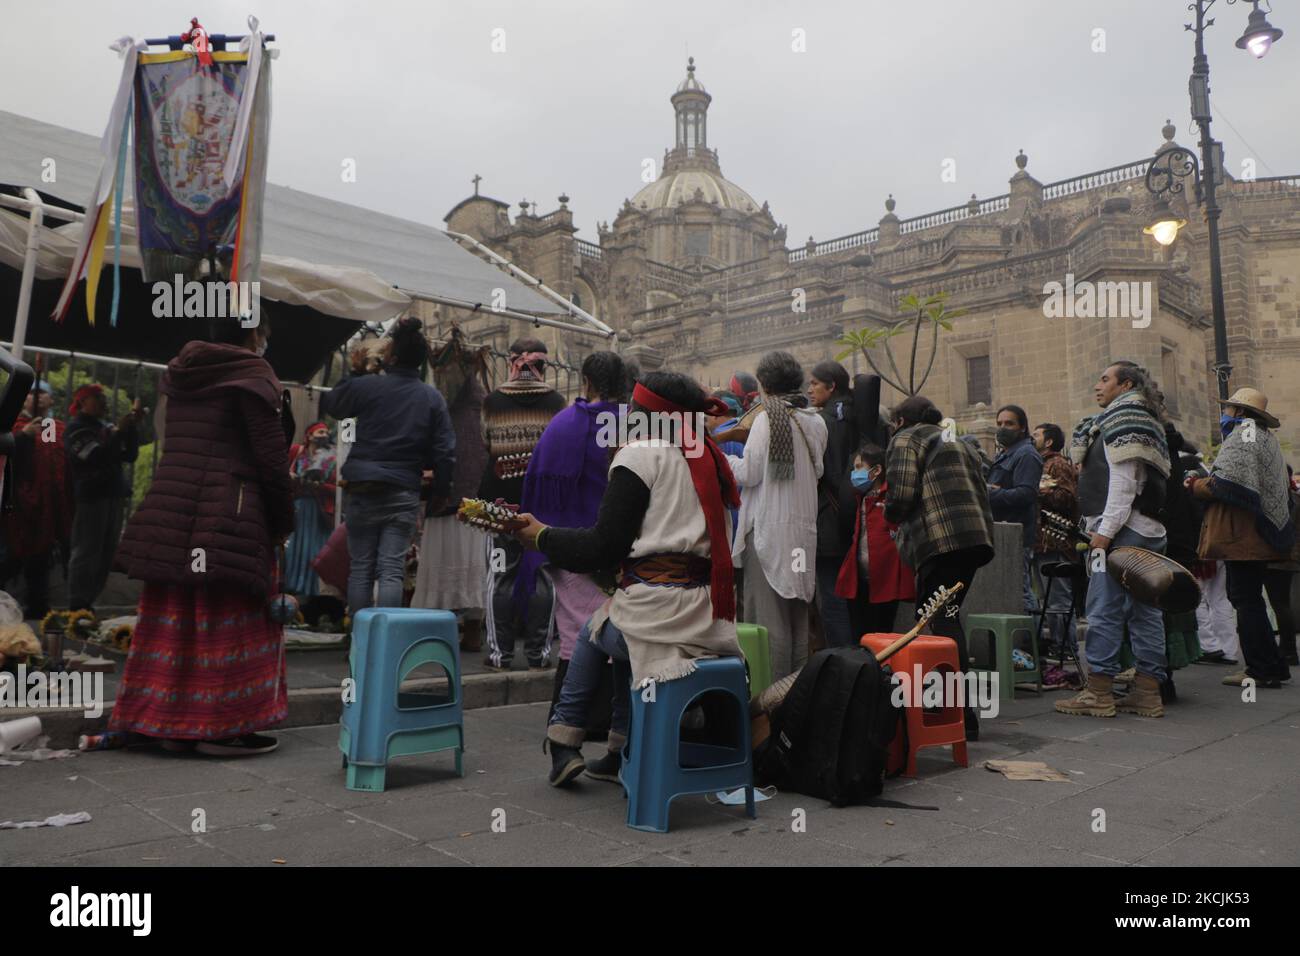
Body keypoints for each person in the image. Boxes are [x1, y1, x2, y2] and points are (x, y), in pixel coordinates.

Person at [511, 372, 743, 786]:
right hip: (709, 615)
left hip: (664, 613)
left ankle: (563, 739)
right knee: (619, 620)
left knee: (592, 632)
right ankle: (621, 749)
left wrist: (542, 536)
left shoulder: (641, 454)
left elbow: (605, 545)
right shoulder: (709, 455)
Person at [112, 313, 293, 755]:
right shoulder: (252, 376)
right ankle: (221, 726)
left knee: (171, 618)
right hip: (229, 511)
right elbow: (270, 460)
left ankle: (161, 721)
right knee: (229, 620)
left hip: (173, 507)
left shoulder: (183, 373)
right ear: (254, 334)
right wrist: (283, 521)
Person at [513, 352, 627, 716]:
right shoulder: (641, 424)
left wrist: (542, 538)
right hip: (626, 546)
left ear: (587, 382)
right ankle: (616, 719)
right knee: (619, 628)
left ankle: (571, 720)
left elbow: (536, 484)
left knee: (575, 629)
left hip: (570, 542)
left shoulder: (564, 424)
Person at [1056, 361, 1171, 718]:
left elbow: (1124, 484)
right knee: (1145, 612)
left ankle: (1099, 693)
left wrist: (1103, 536)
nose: (1097, 384)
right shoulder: (1146, 418)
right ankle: (1147, 693)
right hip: (1148, 529)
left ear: (1126, 384)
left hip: (1123, 531)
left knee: (1103, 609)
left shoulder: (1121, 419)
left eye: (1105, 378)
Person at [320, 317, 456, 615]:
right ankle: (386, 641)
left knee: (361, 568)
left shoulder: (368, 386)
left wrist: (355, 372)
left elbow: (332, 406)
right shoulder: (431, 397)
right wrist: (439, 494)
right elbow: (445, 451)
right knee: (391, 568)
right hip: (403, 489)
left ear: (391, 357)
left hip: (363, 486)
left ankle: (360, 641)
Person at [884, 395, 993, 739]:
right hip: (974, 538)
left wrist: (889, 517)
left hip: (941, 539)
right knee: (947, 614)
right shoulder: (956, 440)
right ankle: (960, 708)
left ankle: (959, 711)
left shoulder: (905, 438)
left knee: (939, 618)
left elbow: (900, 494)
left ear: (900, 421)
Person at [725, 351, 828, 681]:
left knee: (769, 625)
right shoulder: (816, 421)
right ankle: (796, 697)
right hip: (802, 534)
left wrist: (719, 459)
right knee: (798, 620)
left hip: (769, 531)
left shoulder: (767, 420)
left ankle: (771, 703)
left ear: (764, 385)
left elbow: (750, 473)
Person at [1187, 387, 1295, 688]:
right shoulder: (1264, 437)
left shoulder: (1245, 434)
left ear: (1241, 412)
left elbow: (1227, 483)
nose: (1227, 413)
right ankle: (1273, 666)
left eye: (1231, 408)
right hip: (1255, 532)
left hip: (1244, 533)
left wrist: (1195, 485)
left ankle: (1259, 669)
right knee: (1250, 599)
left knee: (1245, 600)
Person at [479, 338, 567, 670]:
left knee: (500, 575)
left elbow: (486, 443)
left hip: (500, 504)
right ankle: (539, 655)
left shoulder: (492, 402)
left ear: (512, 362)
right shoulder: (557, 402)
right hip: (542, 505)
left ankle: (500, 654)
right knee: (543, 576)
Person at [413, 329, 490, 651]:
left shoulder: (442, 398)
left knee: (458, 555)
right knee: (468, 556)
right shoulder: (453, 397)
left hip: (458, 486)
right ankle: (467, 626)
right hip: (459, 485)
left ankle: (459, 627)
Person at [64, 383, 142, 614]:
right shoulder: (75, 430)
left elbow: (129, 454)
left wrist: (132, 429)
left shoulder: (105, 428)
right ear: (82, 403)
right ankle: (77, 604)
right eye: (97, 398)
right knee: (87, 550)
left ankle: (88, 602)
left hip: (113, 494)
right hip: (92, 496)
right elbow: (97, 455)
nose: (104, 402)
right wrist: (119, 431)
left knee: (107, 552)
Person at [2, 382, 74, 619]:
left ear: (51, 400)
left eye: (42, 393)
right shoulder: (12, 424)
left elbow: (54, 458)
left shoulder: (52, 427)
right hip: (16, 501)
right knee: (11, 555)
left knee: (40, 557)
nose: (37, 398)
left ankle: (37, 606)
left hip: (46, 505)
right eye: (32, 394)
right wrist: (23, 436)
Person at [834, 442, 914, 640]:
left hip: (885, 577)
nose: (854, 473)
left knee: (882, 634)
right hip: (858, 577)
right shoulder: (859, 496)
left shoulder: (893, 496)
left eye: (859, 467)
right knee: (859, 635)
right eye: (853, 468)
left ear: (877, 470)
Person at [808, 360, 856, 648]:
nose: (810, 389)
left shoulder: (823, 421)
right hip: (857, 519)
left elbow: (822, 471)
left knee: (831, 596)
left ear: (832, 386)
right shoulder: (864, 415)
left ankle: (841, 664)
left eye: (814, 383)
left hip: (829, 519)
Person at [988, 404, 1043, 616]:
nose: (1003, 428)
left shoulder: (1026, 455)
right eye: (1000, 423)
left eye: (1009, 423)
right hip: (1000, 532)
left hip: (1016, 535)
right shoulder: (1005, 454)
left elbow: (1026, 494)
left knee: (1020, 592)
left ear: (1022, 427)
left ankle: (1030, 643)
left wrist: (990, 493)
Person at [1031, 422, 1078, 655]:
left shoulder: (1058, 464)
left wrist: (1041, 491)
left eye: (1037, 435)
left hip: (1056, 541)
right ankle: (1057, 644)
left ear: (1048, 441)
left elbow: (1068, 499)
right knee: (1047, 598)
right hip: (1041, 542)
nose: (1033, 437)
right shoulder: (1039, 463)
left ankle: (1066, 647)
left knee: (1058, 598)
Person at [282, 422, 337, 597]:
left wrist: (320, 485)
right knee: (291, 550)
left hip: (320, 511)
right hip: (298, 507)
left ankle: (314, 594)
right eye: (320, 432)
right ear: (309, 435)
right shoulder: (297, 452)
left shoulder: (333, 458)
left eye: (327, 432)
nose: (324, 435)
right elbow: (282, 472)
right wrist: (293, 478)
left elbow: (338, 488)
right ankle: (290, 588)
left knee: (316, 552)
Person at [1265, 465, 1300, 667]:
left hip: (1276, 557)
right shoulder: (1295, 498)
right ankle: (1288, 650)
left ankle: (1287, 650)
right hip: (1289, 557)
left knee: (1279, 604)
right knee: (1282, 604)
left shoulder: (1278, 500)